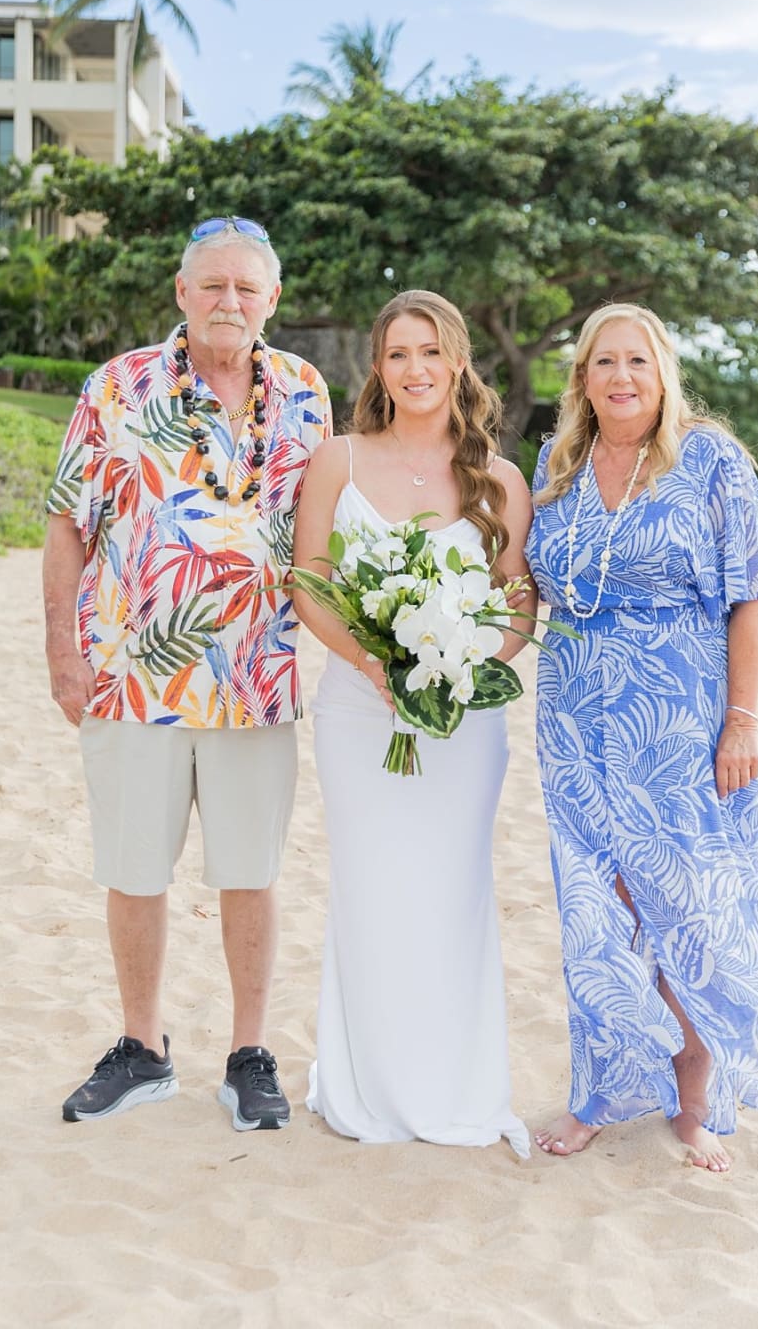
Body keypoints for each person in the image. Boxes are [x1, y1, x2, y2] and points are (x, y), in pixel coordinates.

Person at [525, 303, 758, 1171]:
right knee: (600, 912)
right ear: (581, 378)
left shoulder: (710, 461)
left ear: (662, 371)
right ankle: (600, 1094)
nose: (620, 377)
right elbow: (527, 589)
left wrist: (741, 720)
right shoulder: (559, 464)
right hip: (576, 724)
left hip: (679, 725)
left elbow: (752, 596)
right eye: (601, 363)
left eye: (636, 361)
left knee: (689, 913)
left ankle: (693, 1104)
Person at [44, 216, 332, 1130]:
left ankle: (250, 1052)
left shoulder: (304, 391)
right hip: (131, 674)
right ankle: (142, 1047)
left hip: (258, 677)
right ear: (181, 293)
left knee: (251, 871)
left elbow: (329, 529)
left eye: (247, 288)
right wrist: (61, 650)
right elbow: (66, 525)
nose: (229, 302)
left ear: (272, 301)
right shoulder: (117, 386)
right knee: (135, 871)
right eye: (212, 286)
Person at [291, 291, 535, 1155]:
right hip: (359, 713)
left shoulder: (498, 480)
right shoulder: (338, 461)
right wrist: (372, 664)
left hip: (462, 724)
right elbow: (309, 581)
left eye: (431, 352)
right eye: (398, 353)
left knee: (451, 892)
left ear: (459, 363)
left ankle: (453, 1085)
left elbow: (516, 606)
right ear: (377, 368)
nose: (416, 369)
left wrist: (465, 669)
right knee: (371, 888)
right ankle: (367, 1089)